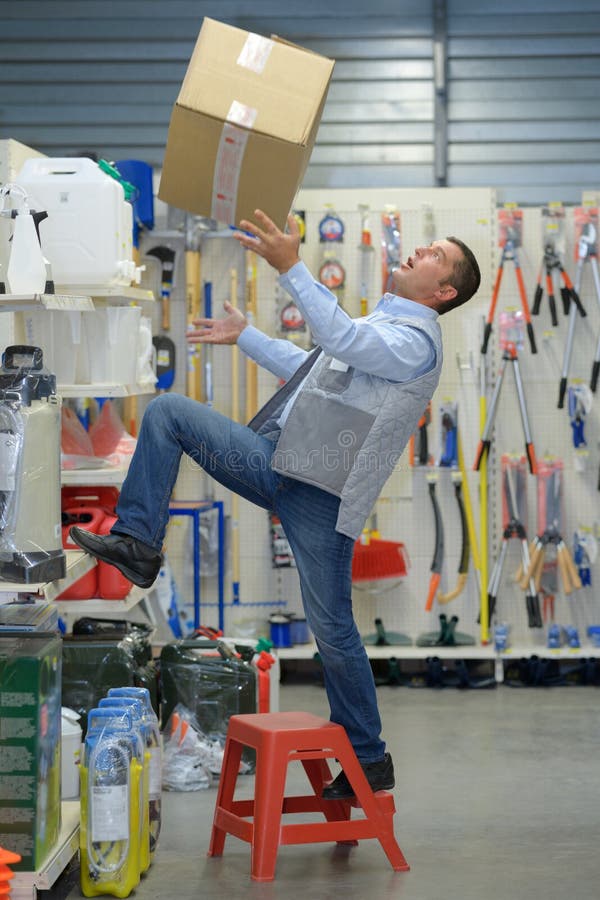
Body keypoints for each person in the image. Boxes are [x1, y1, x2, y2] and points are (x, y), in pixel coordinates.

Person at [71, 209, 480, 800]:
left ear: (443, 292)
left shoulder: (414, 341)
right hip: (284, 466)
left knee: (333, 630)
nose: (419, 251)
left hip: (318, 490)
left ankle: (369, 759)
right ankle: (138, 542)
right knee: (168, 415)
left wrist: (291, 266)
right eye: (426, 246)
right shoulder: (388, 323)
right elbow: (313, 371)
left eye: (435, 256)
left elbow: (340, 339)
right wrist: (246, 337)